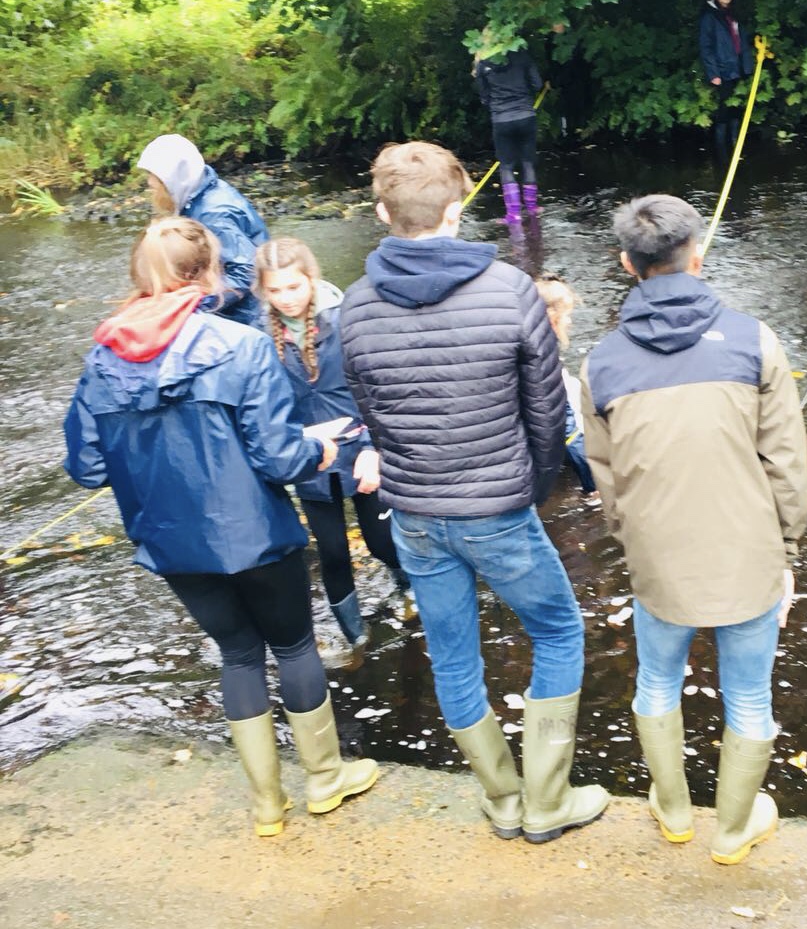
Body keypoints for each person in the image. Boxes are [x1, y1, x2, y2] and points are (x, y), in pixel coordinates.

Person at [63, 217, 378, 838]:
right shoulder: (242, 346)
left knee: (236, 654)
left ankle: (266, 804)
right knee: (292, 646)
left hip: (170, 544)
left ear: (138, 276)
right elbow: (278, 458)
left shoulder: (101, 359)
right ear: (208, 273)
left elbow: (87, 465)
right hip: (256, 533)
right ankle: (323, 781)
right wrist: (319, 450)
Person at [340, 140, 608, 844]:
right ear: (458, 210)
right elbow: (548, 413)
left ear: (380, 212)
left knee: (454, 654)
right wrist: (528, 483)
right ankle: (548, 800)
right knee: (556, 630)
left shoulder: (357, 308)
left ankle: (501, 798)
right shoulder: (509, 290)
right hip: (497, 506)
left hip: (416, 515)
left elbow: (372, 413)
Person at [580, 195, 807, 865]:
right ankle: (734, 830)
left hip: (657, 561)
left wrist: (635, 545)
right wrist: (786, 553)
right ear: (698, 257)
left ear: (627, 264)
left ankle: (675, 810)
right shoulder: (754, 339)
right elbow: (787, 467)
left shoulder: (601, 362)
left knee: (656, 680)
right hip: (750, 558)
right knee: (748, 690)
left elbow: (609, 479)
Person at [253, 236, 410, 651]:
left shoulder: (345, 322)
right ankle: (355, 635)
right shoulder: (256, 338)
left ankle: (407, 586)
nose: (286, 298)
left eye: (294, 287)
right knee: (334, 552)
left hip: (362, 452)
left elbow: (380, 390)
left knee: (381, 542)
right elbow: (261, 411)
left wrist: (377, 449)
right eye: (275, 290)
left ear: (312, 280)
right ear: (262, 291)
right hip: (308, 461)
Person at [136, 134, 267, 326]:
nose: (150, 183)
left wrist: (196, 306)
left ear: (173, 179)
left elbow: (248, 270)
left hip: (250, 317)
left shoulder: (213, 215)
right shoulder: (201, 195)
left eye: (154, 176)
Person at [535, 275, 602, 508]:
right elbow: (567, 431)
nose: (570, 322)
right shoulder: (544, 364)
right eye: (567, 316)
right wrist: (594, 486)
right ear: (552, 318)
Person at [474, 36, 544, 224]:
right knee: (528, 162)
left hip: (501, 119)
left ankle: (513, 215)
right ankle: (532, 208)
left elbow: (484, 97)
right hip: (526, 116)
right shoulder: (522, 56)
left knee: (506, 166)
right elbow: (537, 85)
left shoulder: (483, 64)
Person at [699, 0, 753, 161]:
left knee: (736, 107)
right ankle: (721, 151)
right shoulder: (710, 17)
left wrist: (747, 65)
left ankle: (735, 144)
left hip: (737, 67)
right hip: (722, 69)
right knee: (723, 109)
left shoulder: (734, 14)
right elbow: (706, 47)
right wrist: (713, 73)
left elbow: (742, 41)